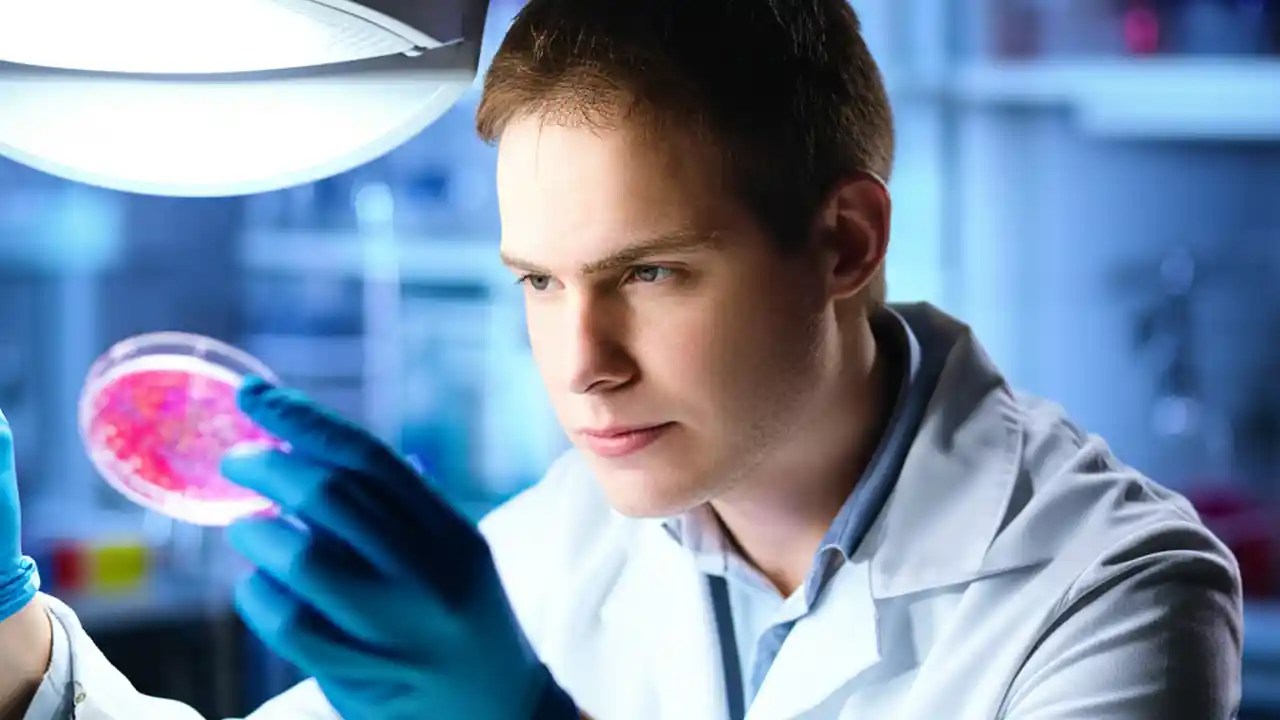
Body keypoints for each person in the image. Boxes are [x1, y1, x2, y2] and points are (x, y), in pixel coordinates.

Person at [0, 1, 1244, 718]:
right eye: (538, 281)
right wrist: (16, 649)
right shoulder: (570, 541)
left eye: (648, 274)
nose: (579, 363)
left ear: (843, 242)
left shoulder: (1108, 597)